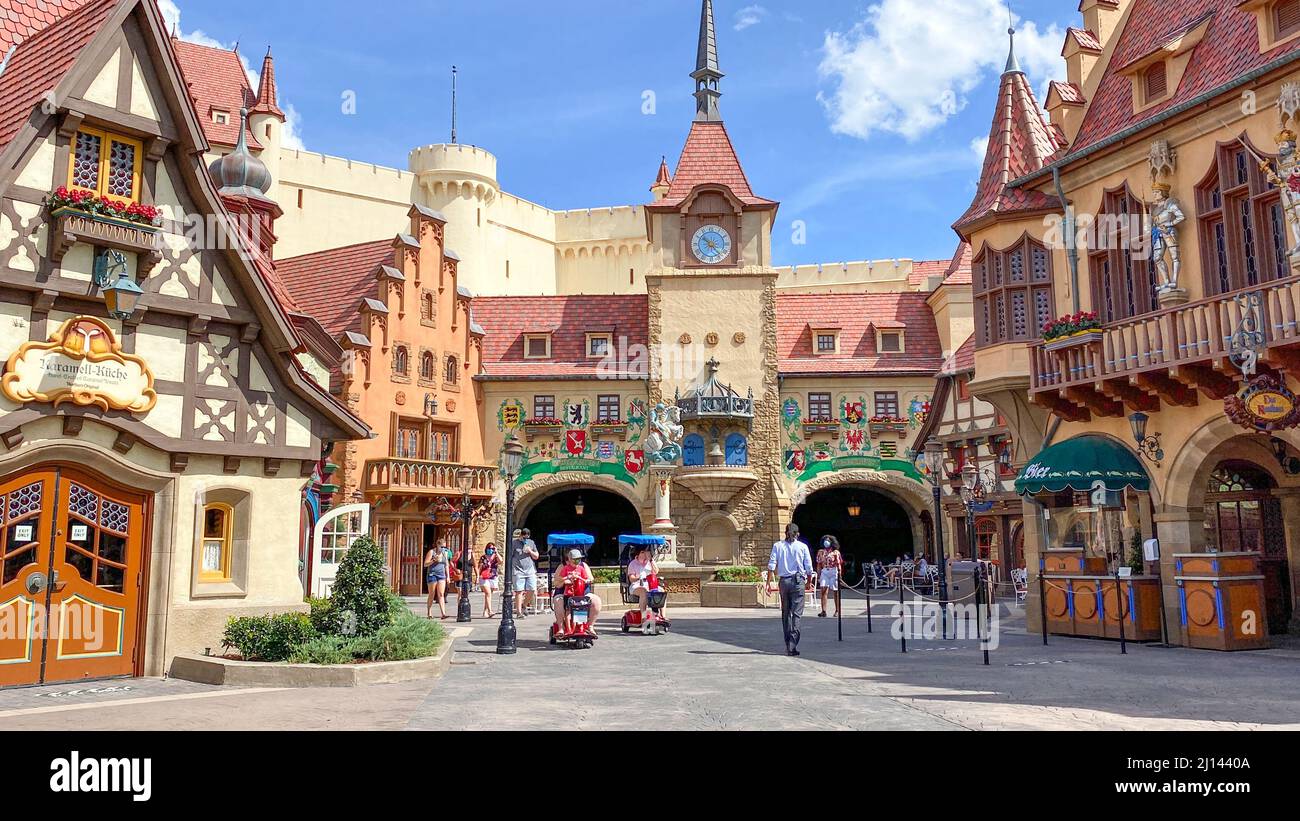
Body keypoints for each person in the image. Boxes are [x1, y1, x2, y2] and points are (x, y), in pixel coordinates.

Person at [766, 523, 813, 657]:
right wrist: (809, 582)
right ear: (797, 534)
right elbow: (808, 567)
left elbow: (772, 564)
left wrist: (768, 583)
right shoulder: (802, 547)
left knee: (786, 613)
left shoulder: (778, 546)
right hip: (798, 581)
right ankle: (792, 645)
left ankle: (788, 643)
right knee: (797, 614)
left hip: (784, 581)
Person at [552, 548, 603, 636]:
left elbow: (590, 578)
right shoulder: (563, 567)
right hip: (566, 593)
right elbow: (557, 582)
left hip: (582, 592)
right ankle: (562, 628)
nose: (576, 561)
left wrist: (585, 580)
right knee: (559, 601)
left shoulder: (583, 566)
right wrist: (565, 581)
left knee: (596, 601)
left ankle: (589, 626)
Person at [627, 547, 661, 635]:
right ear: (638, 554)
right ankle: (643, 617)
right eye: (643, 552)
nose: (645, 554)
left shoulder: (649, 563)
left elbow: (656, 571)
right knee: (644, 591)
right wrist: (638, 577)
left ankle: (662, 616)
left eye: (646, 552)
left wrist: (651, 560)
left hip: (650, 586)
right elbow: (631, 579)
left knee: (661, 591)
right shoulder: (633, 564)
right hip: (637, 586)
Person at [513, 529, 540, 618]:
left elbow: (536, 556)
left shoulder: (531, 542)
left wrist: (530, 551)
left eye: (527, 536)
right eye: (524, 535)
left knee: (532, 589)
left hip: (530, 569)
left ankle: (524, 605)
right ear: (521, 535)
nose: (525, 537)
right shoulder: (514, 543)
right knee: (519, 591)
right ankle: (519, 612)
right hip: (518, 570)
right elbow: (509, 556)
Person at [423, 537, 452, 619]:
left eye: (444, 547)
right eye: (441, 546)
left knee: (441, 594)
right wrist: (433, 560)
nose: (443, 548)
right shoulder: (432, 552)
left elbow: (446, 564)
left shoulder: (445, 553)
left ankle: (443, 613)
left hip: (441, 575)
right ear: (437, 545)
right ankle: (429, 612)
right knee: (432, 594)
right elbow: (425, 564)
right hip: (432, 574)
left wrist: (448, 576)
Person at [816, 536, 843, 618]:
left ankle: (837, 610)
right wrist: (818, 575)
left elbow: (839, 564)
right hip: (825, 571)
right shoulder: (820, 552)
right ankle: (823, 610)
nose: (826, 542)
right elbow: (818, 564)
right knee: (823, 590)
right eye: (825, 540)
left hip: (833, 571)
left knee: (836, 591)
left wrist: (840, 575)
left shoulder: (836, 552)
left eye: (828, 541)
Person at [479, 543, 501, 618]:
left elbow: (501, 561)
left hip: (493, 576)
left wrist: (496, 552)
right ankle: (490, 611)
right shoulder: (483, 557)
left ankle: (485, 611)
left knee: (488, 595)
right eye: (489, 548)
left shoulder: (495, 557)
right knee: (488, 593)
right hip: (484, 577)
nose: (490, 550)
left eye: (492, 548)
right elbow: (479, 567)